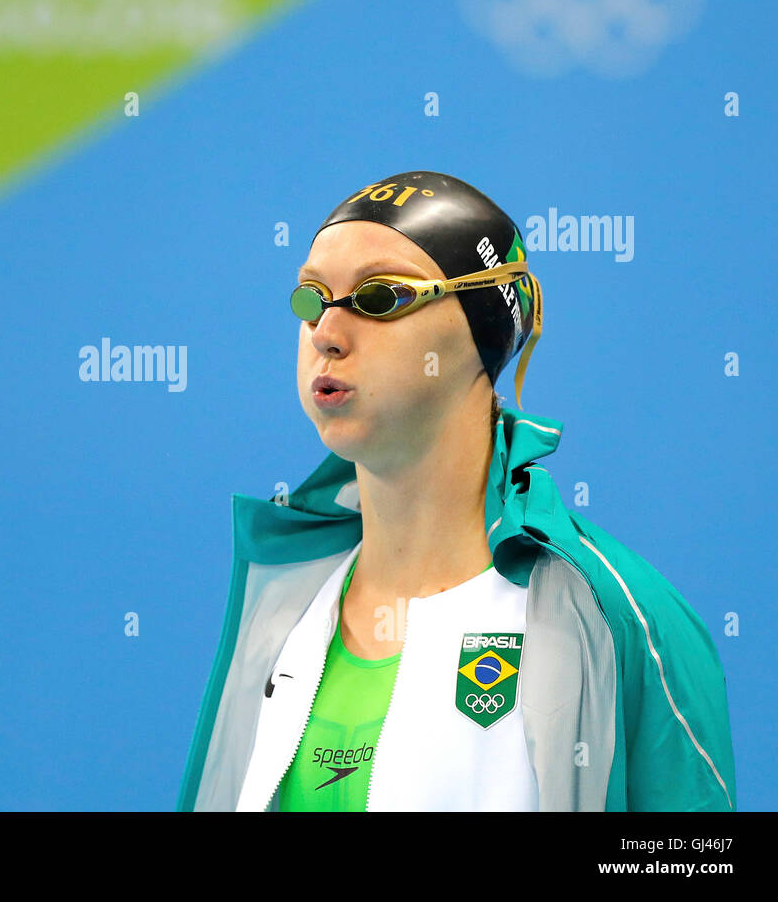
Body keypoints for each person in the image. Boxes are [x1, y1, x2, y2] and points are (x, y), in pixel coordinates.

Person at [176, 170, 736, 811]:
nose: (326, 331)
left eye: (379, 296)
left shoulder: (615, 618)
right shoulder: (280, 605)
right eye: (312, 297)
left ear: (484, 334)